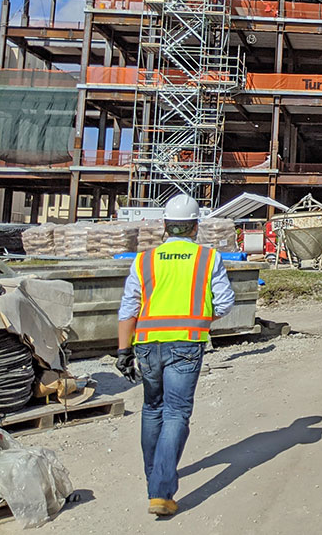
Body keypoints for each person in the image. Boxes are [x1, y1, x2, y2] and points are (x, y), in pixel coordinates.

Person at [115, 193, 235, 518]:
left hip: (146, 344)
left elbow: (129, 308)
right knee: (176, 413)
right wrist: (199, 318)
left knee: (152, 408)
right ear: (195, 227)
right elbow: (224, 304)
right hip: (186, 344)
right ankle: (161, 492)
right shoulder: (209, 259)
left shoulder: (144, 261)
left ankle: (153, 478)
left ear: (165, 226)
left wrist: (123, 351)